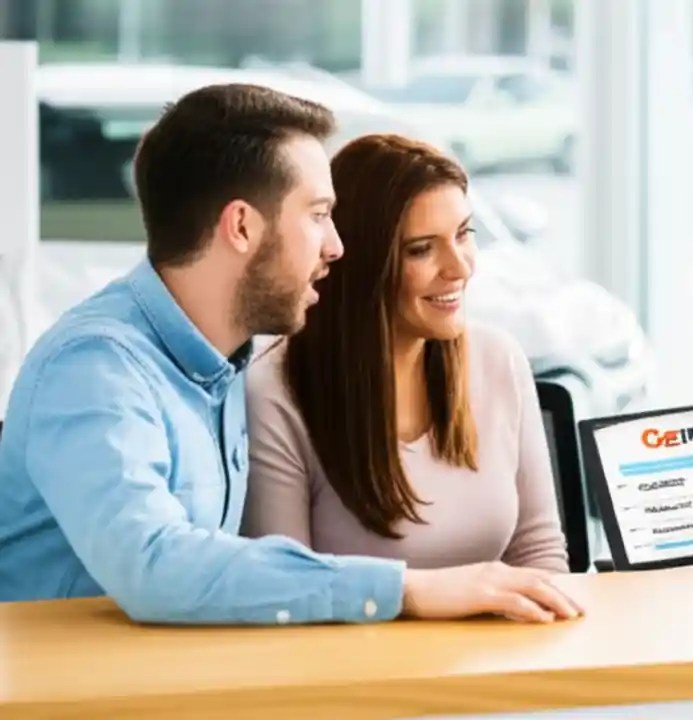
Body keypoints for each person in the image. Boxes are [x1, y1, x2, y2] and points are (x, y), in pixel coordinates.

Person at [0, 83, 580, 626]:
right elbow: (151, 563)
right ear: (242, 227)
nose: (337, 246)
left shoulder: (221, 368)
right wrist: (408, 588)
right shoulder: (95, 367)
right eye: (318, 215)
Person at [241, 133, 570, 579]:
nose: (459, 267)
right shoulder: (274, 391)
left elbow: (539, 551)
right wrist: (448, 600)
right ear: (359, 262)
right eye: (421, 249)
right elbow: (286, 588)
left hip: (501, 629)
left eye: (463, 234)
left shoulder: (500, 359)